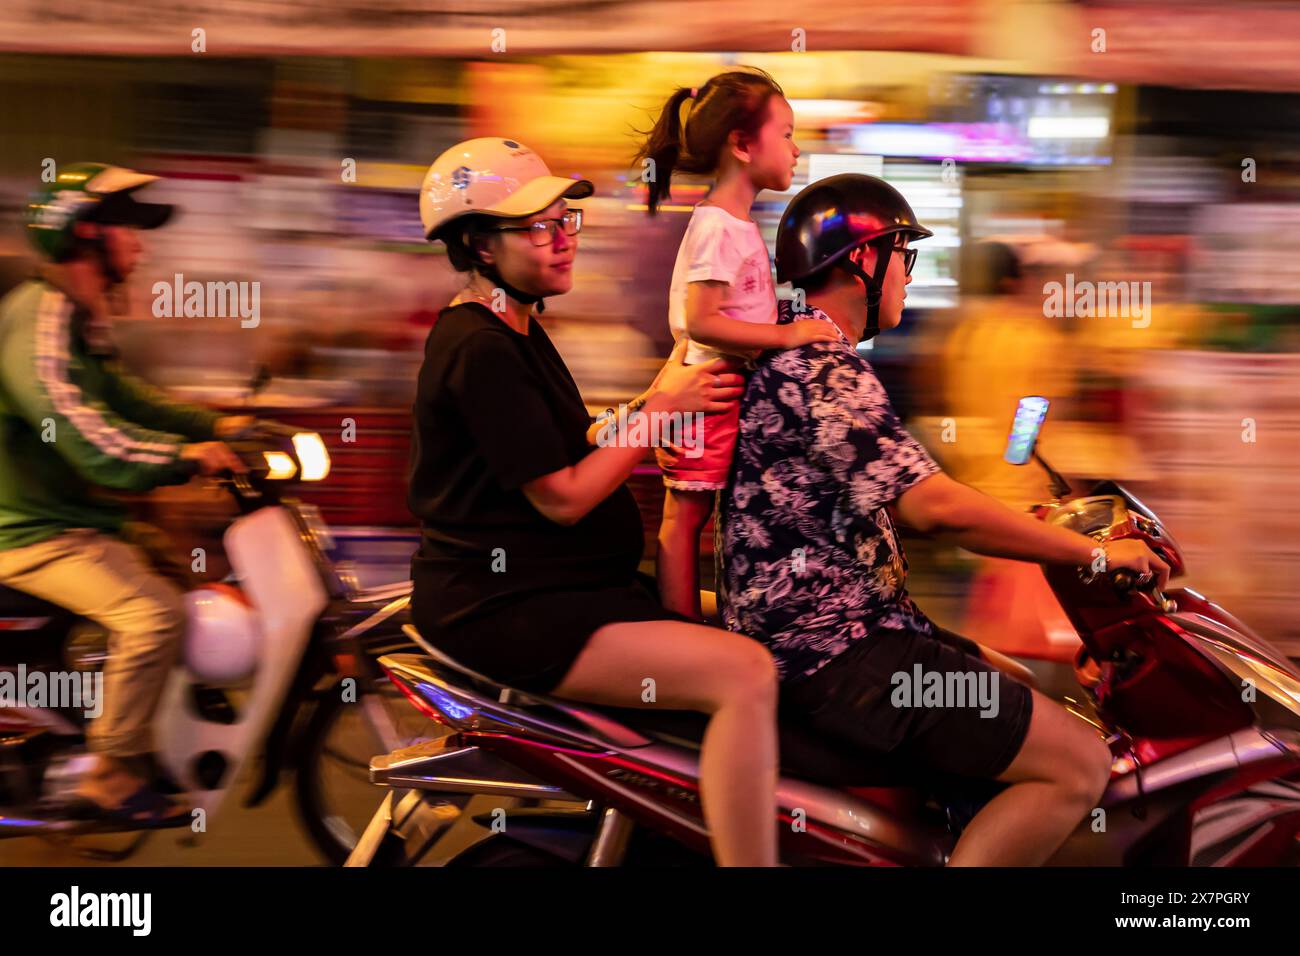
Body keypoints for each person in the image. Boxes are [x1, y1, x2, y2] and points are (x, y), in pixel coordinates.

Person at [717, 174, 1170, 866]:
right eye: (906, 257)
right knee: (1078, 761)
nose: (907, 277)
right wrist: (1094, 554)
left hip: (858, 628)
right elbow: (934, 505)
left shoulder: (808, 357)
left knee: (1016, 682)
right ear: (865, 261)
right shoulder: (824, 368)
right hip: (840, 655)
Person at [408, 138, 779, 866]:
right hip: (510, 606)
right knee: (745, 675)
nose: (561, 240)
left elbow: (568, 444)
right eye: (538, 227)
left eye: (565, 221)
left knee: (757, 620)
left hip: (566, 590)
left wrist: (661, 401)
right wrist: (654, 415)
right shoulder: (478, 349)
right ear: (481, 246)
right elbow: (563, 499)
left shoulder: (515, 330)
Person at [0, 163, 251, 826]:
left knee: (187, 575)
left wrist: (217, 425)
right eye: (127, 228)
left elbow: (126, 399)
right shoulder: (41, 320)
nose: (140, 244)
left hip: (72, 521)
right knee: (156, 616)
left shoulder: (80, 320)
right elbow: (92, 440)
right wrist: (183, 457)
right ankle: (106, 775)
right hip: (26, 534)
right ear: (85, 235)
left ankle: (141, 728)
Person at [635, 68, 838, 621]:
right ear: (743, 144)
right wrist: (785, 335)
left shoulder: (737, 225)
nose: (797, 148)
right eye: (788, 133)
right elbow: (702, 321)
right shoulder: (718, 227)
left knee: (706, 515)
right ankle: (679, 629)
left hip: (724, 394)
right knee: (686, 515)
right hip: (707, 395)